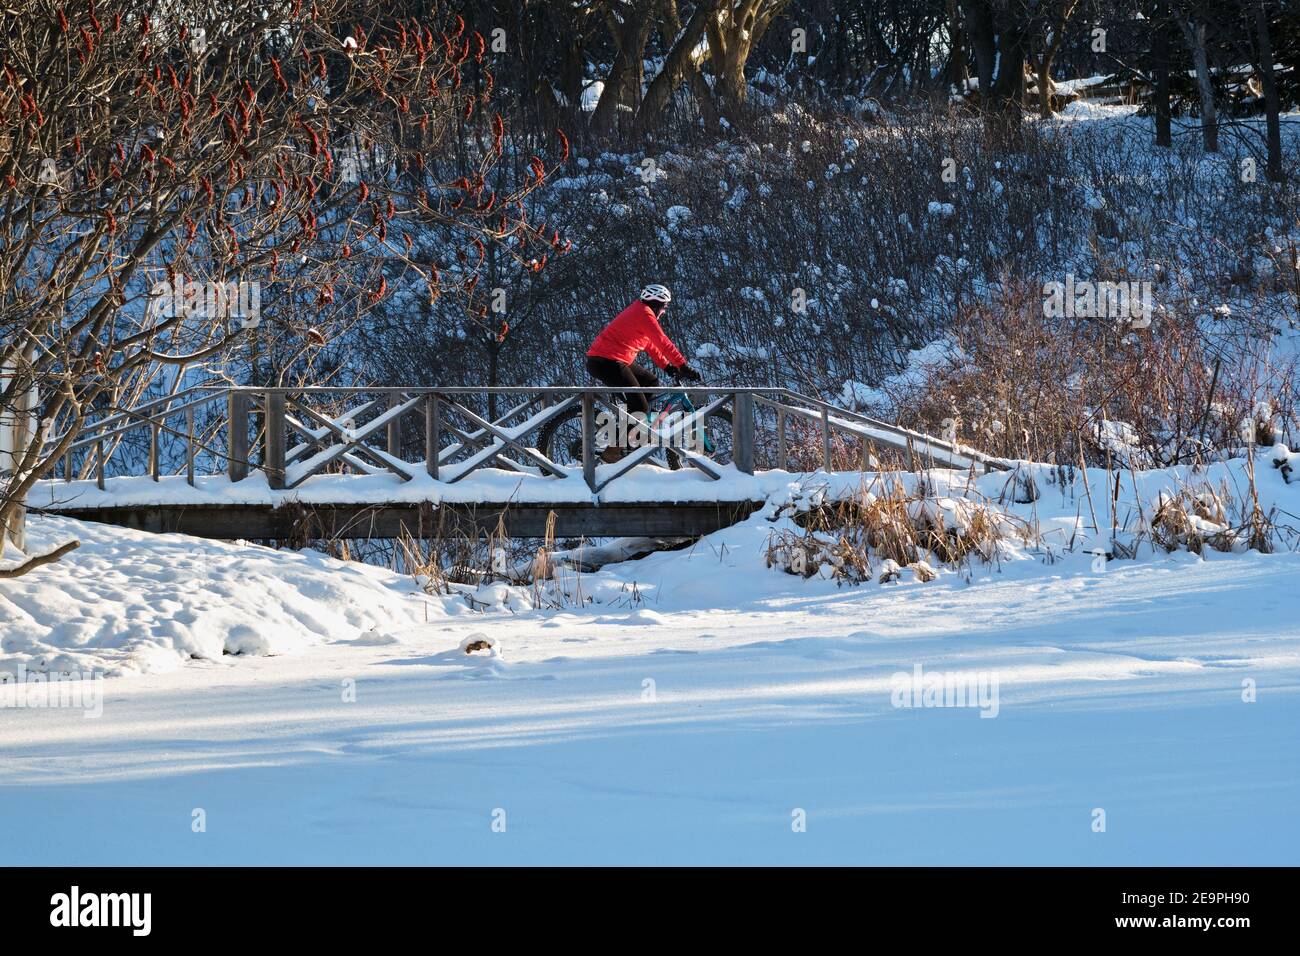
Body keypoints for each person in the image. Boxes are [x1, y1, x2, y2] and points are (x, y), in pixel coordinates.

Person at [586, 284, 701, 462]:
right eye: (664, 307)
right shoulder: (644, 314)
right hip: (606, 361)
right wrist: (682, 365)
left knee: (651, 382)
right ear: (657, 304)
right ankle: (614, 451)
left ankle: (636, 427)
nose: (663, 311)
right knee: (640, 407)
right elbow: (662, 341)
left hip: (615, 359)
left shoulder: (640, 311)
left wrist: (668, 367)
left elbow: (650, 344)